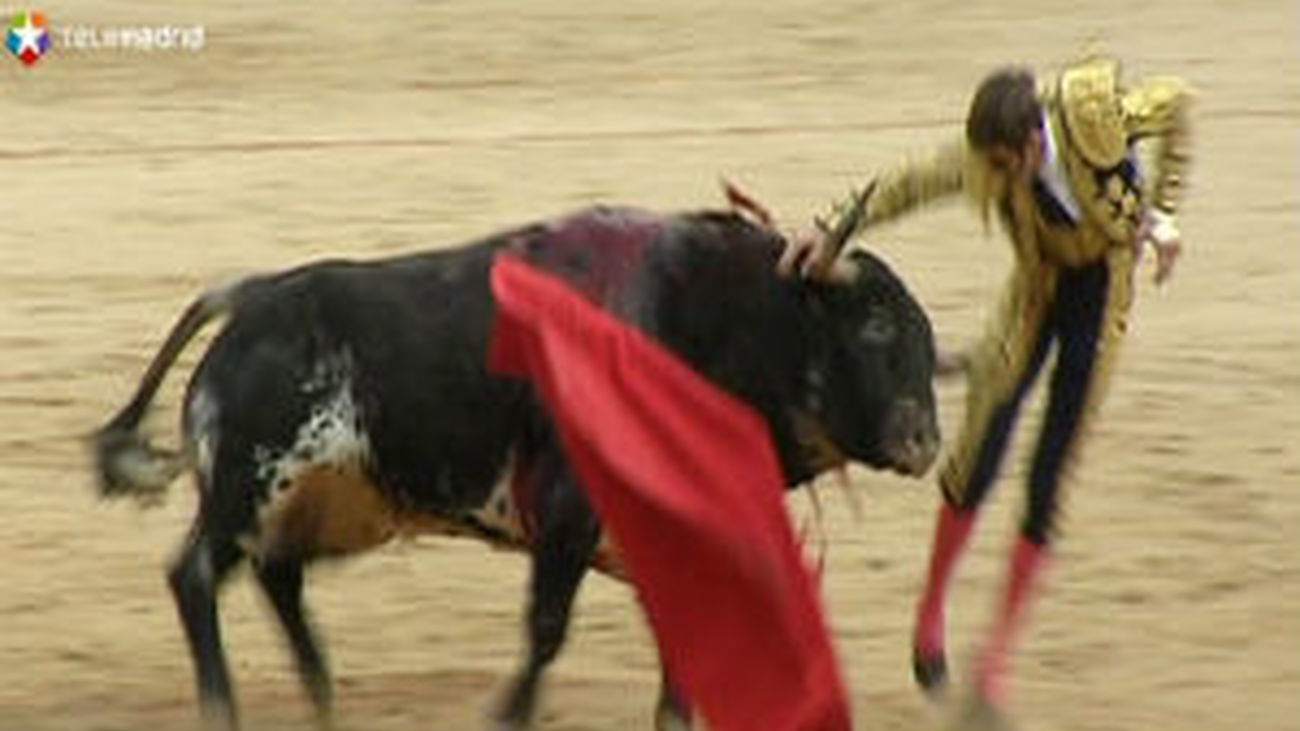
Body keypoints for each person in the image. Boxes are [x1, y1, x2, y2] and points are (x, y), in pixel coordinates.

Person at [781, 56, 1192, 722]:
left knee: (1048, 475)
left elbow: (1176, 101)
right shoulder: (989, 157)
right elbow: (912, 181)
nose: (996, 178)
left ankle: (996, 658)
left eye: (1005, 164)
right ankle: (930, 612)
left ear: (1033, 140)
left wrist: (1167, 211)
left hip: (1101, 296)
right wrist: (833, 226)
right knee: (981, 448)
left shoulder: (1094, 114)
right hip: (1036, 290)